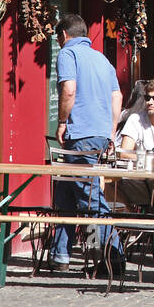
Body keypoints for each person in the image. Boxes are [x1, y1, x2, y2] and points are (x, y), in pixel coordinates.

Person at [50, 15, 123, 273]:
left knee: (90, 198)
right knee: (67, 193)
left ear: (64, 36)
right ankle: (60, 256)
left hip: (80, 135)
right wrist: (111, 133)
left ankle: (114, 256)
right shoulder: (102, 59)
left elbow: (69, 90)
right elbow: (117, 96)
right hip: (100, 135)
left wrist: (61, 121)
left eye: (59, 40)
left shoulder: (68, 54)